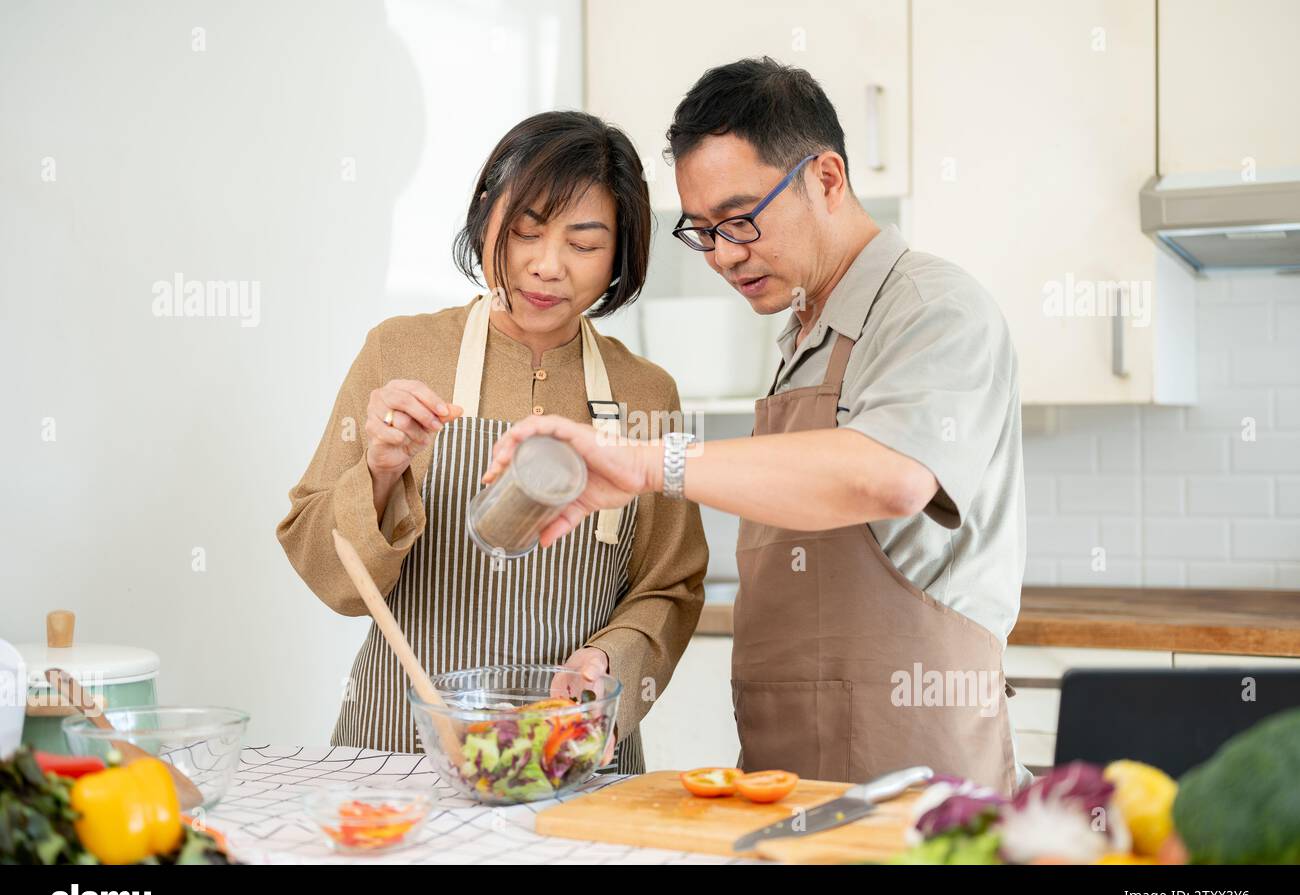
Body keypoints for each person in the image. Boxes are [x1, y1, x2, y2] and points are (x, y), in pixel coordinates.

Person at [481, 61, 1030, 795]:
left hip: (917, 773)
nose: (724, 255)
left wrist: (650, 464)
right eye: (702, 231)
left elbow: (891, 476)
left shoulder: (932, 308)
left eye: (741, 220)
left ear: (827, 179)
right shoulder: (804, 333)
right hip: (792, 769)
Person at [277, 111, 708, 772]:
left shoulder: (646, 393)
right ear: (487, 219)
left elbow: (669, 585)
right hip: (403, 752)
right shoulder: (398, 350)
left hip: (573, 758)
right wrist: (378, 473)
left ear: (621, 251)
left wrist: (610, 659)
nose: (547, 266)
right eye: (526, 231)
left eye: (584, 244)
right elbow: (329, 573)